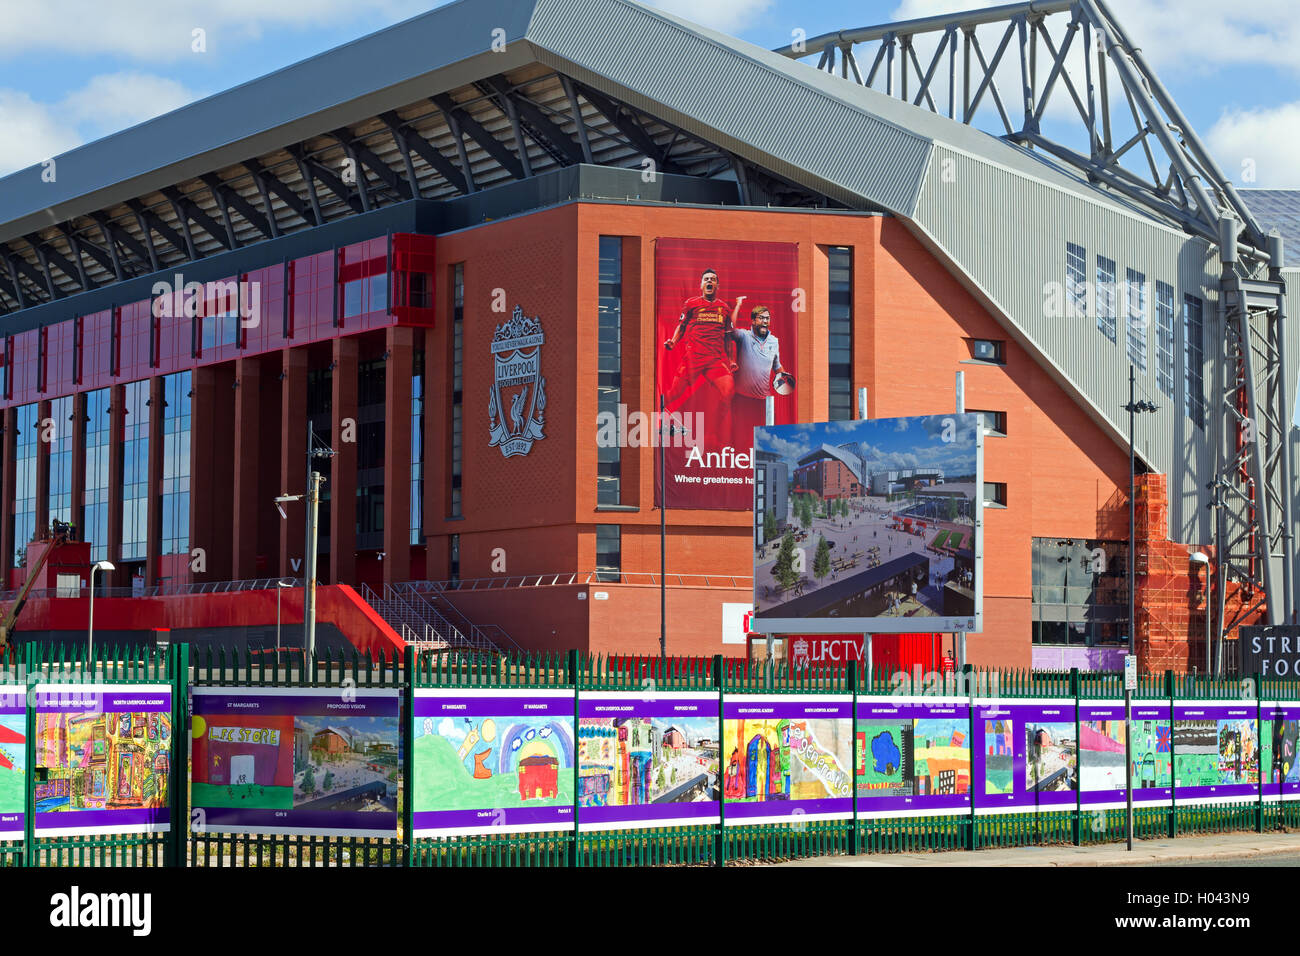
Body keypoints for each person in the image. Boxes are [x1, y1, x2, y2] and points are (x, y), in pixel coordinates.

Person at [663, 269, 742, 442]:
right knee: (674, 393)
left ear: (717, 285)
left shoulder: (724, 308)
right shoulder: (691, 304)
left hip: (715, 360)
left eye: (713, 279)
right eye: (706, 279)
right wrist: (673, 342)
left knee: (729, 391)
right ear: (701, 285)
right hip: (693, 358)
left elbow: (728, 336)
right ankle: (657, 417)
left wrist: (731, 360)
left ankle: (711, 429)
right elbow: (681, 326)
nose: (710, 281)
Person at [727, 304, 785, 401]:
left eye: (767, 318)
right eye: (761, 318)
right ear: (753, 321)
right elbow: (730, 330)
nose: (765, 321)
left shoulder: (774, 341)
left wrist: (786, 378)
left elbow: (777, 366)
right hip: (742, 399)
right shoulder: (744, 336)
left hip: (764, 399)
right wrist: (738, 305)